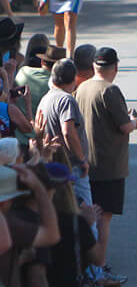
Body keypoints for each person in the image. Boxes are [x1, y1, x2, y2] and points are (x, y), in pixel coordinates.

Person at [75, 48, 137, 287]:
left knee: (92, 217)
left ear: (94, 66)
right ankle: (99, 269)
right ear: (115, 67)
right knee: (104, 220)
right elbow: (124, 126)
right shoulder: (110, 91)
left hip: (87, 164)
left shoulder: (83, 88)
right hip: (109, 167)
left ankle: (92, 265)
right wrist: (135, 122)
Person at [35, 61, 90, 208]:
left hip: (54, 163)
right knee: (85, 212)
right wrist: (82, 159)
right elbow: (68, 132)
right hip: (71, 166)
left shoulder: (45, 98)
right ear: (74, 79)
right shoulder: (66, 99)